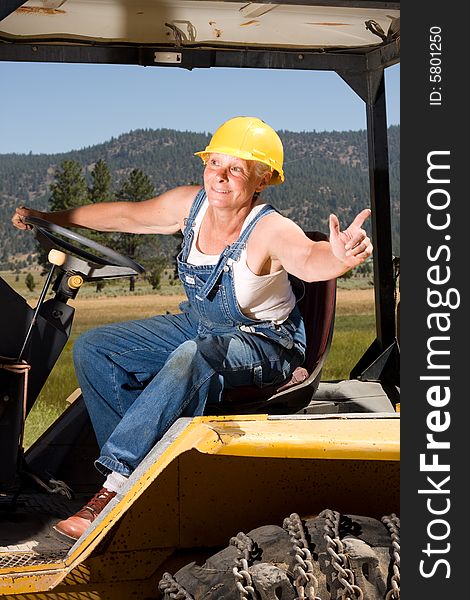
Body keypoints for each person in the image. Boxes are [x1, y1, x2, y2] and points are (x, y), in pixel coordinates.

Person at [12, 116, 373, 541]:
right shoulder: (191, 205)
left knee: (191, 356)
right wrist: (52, 215)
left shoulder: (270, 229)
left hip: (264, 344)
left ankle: (113, 488)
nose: (219, 176)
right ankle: (146, 477)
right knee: (95, 347)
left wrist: (341, 258)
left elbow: (311, 261)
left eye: (236, 168)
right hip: (200, 326)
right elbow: (127, 215)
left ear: (262, 180)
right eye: (214, 163)